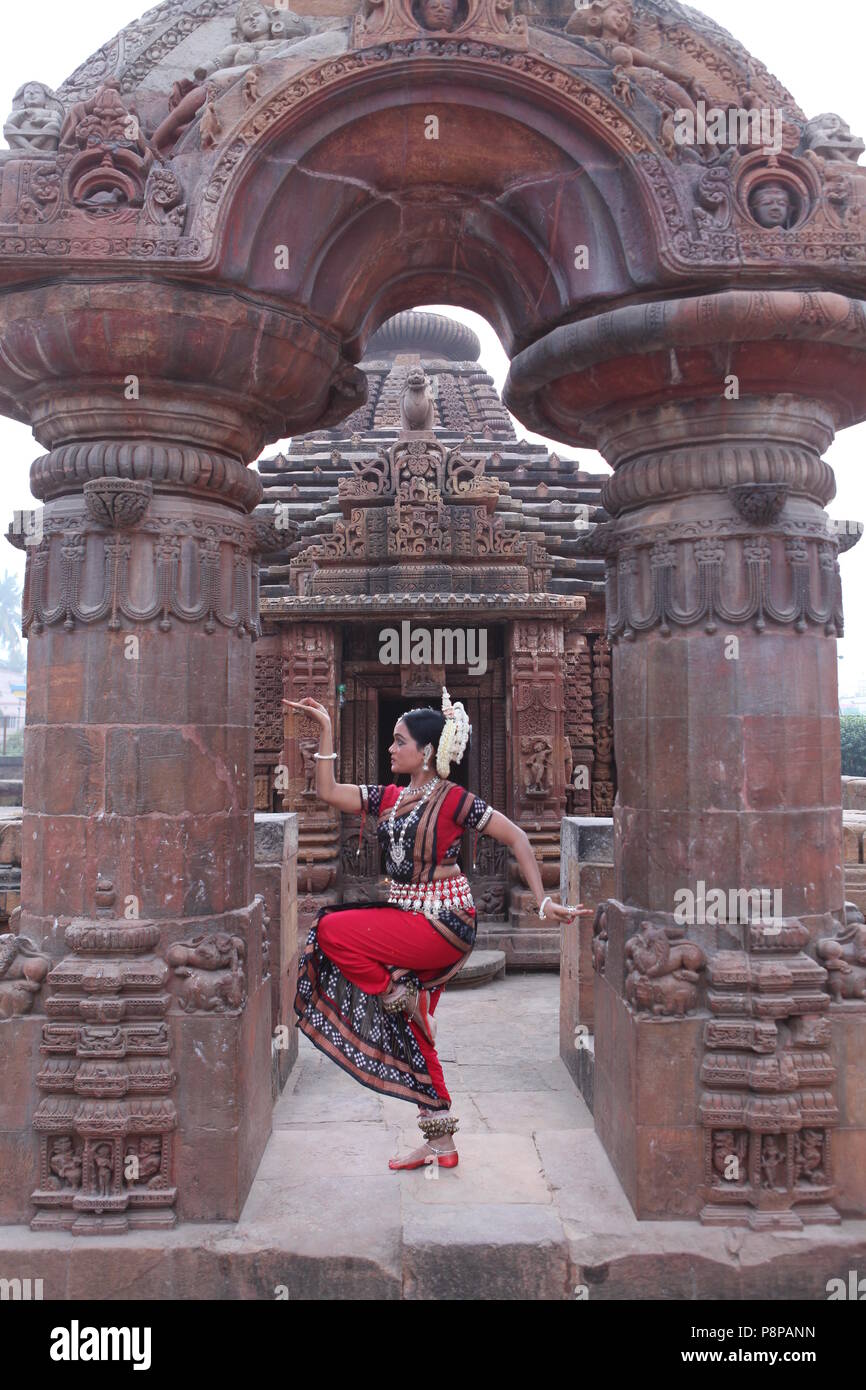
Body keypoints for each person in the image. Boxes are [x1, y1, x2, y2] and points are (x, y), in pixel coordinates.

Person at [288, 686, 591, 1172]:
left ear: (426, 751)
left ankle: (397, 991)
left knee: (330, 932)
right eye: (391, 740)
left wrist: (542, 900)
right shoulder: (387, 798)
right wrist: (324, 729)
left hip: (443, 924)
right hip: (411, 921)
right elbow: (328, 792)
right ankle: (440, 1138)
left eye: (399, 741)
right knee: (413, 1028)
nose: (391, 749)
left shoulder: (454, 801)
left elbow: (516, 836)